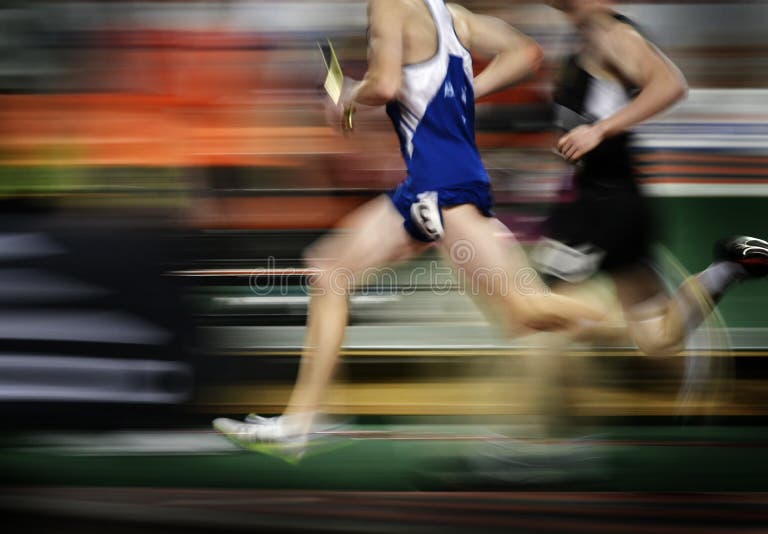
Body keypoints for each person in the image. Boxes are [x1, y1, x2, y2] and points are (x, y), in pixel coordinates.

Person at [213, 0, 607, 452]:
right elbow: (526, 53)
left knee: (526, 312)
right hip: (425, 184)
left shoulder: (388, 5)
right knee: (329, 269)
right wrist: (462, 92)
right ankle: (301, 423)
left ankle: (631, 323)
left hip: (444, 186)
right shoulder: (451, 14)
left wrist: (349, 95)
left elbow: (384, 85)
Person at [534, 0, 768, 357]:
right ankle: (730, 266)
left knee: (540, 310)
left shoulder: (614, 35)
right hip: (616, 200)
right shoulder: (587, 38)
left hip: (601, 206)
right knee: (656, 338)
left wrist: (598, 131)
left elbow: (670, 84)